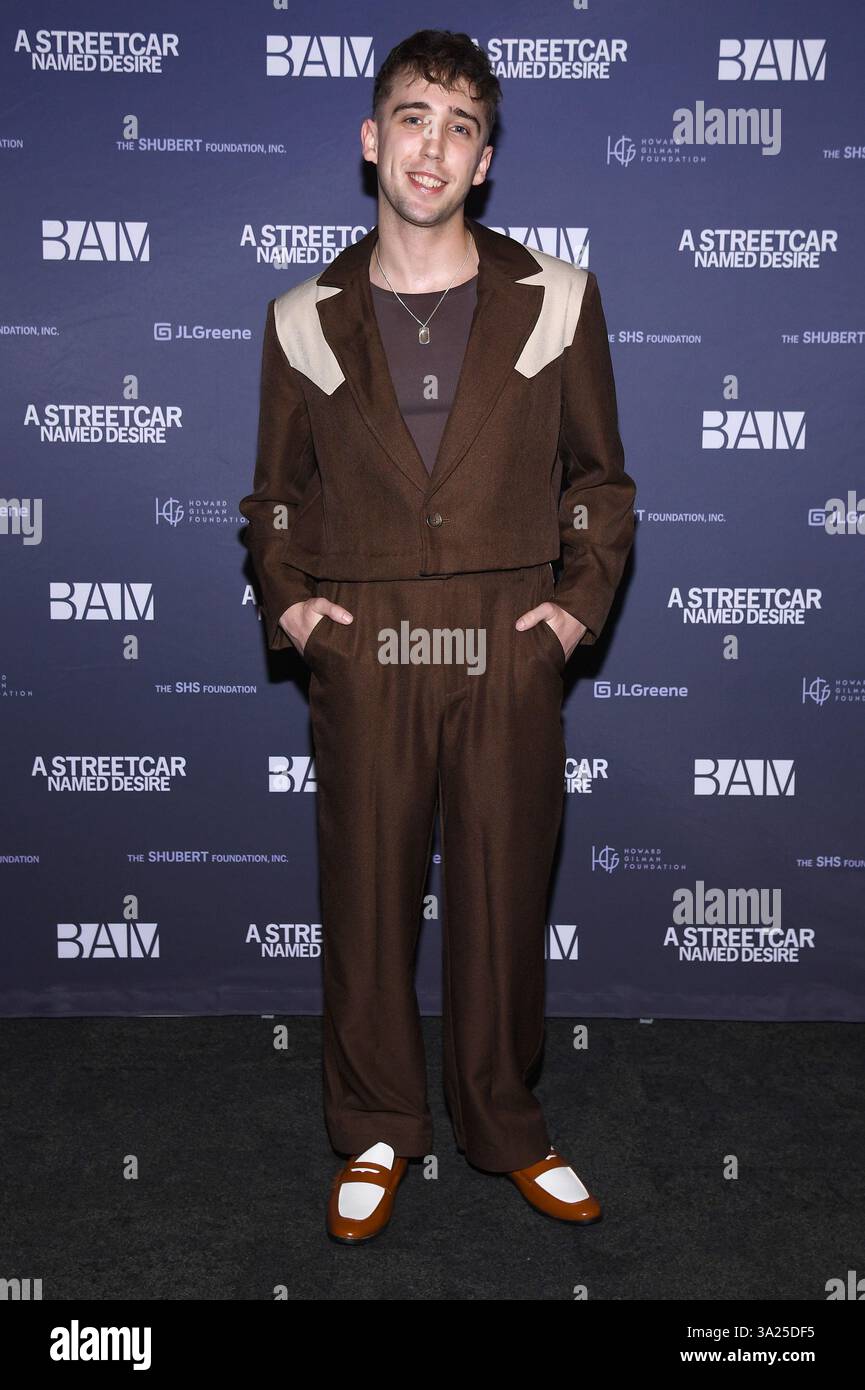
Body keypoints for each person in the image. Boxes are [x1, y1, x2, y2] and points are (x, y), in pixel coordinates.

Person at [238, 29, 637, 1243]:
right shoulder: (301, 314)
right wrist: (298, 605)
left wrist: (569, 611)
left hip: (502, 637)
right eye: (414, 117)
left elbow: (599, 482)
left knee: (507, 892)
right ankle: (372, 1129)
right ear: (372, 140)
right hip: (369, 642)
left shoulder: (558, 296)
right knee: (364, 894)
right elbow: (275, 497)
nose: (434, 145)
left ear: (485, 160)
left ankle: (505, 1120)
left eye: (461, 126)